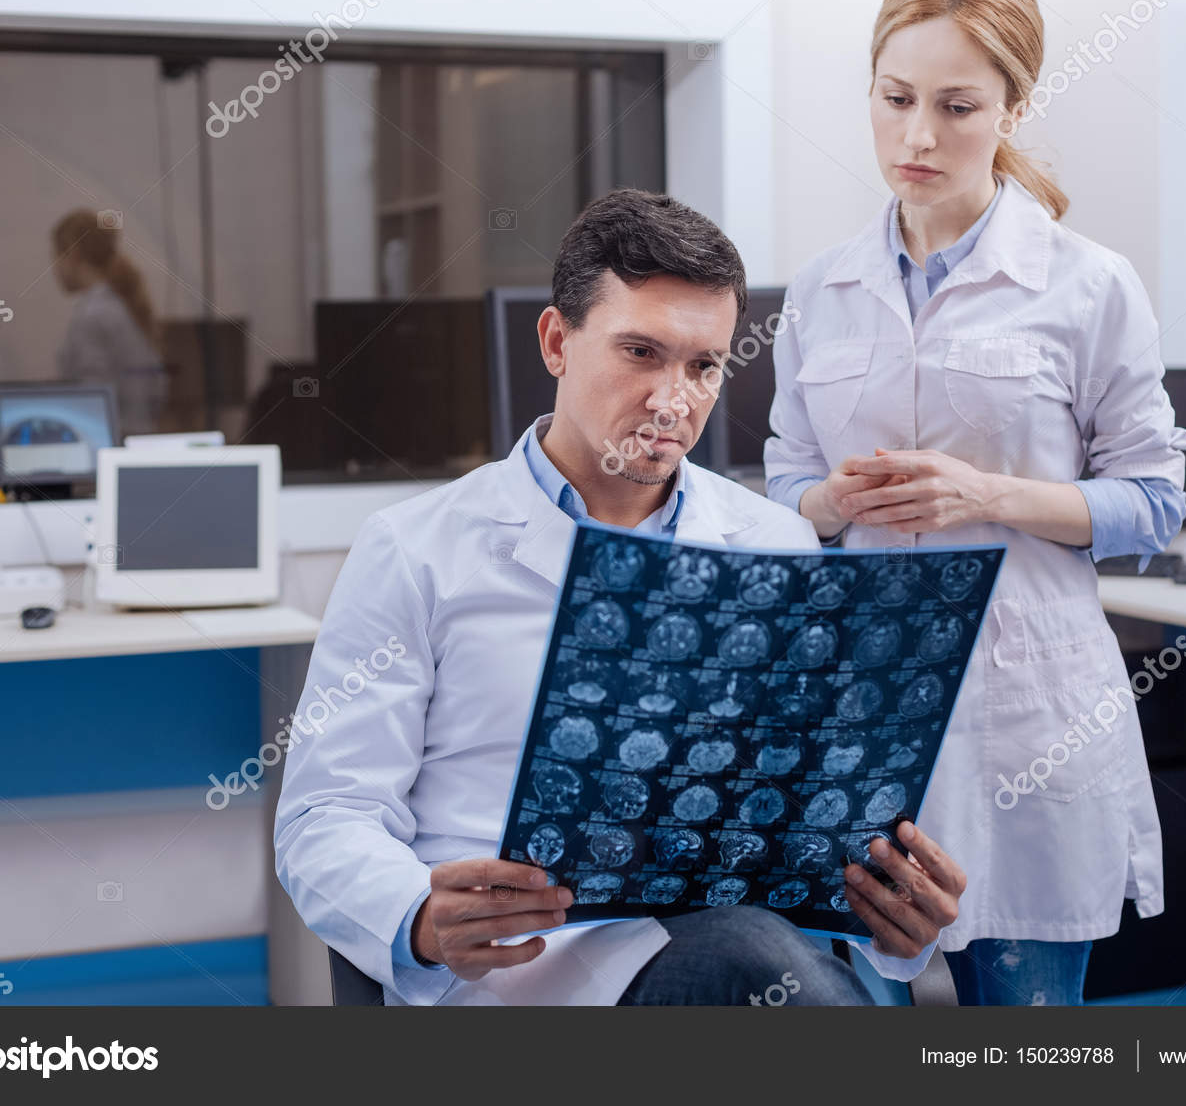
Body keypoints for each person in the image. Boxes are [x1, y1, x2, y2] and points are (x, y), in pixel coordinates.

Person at [274, 189, 966, 1006]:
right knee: (751, 957)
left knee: (756, 955)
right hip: (519, 973)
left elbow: (817, 819)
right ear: (556, 342)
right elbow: (326, 815)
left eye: (703, 366)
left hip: (734, 960)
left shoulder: (775, 544)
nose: (673, 400)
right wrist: (419, 917)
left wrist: (891, 917)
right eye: (641, 352)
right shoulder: (415, 549)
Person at [764, 0, 1186, 1007]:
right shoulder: (820, 290)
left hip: (1025, 719)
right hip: (862, 705)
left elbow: (1153, 502)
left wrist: (987, 495)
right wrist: (829, 503)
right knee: (847, 1015)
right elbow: (781, 486)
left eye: (956, 107)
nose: (917, 136)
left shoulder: (1087, 284)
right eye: (895, 98)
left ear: (1012, 109)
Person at [50, 209, 166, 437]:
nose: (54, 269)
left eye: (55, 257)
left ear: (72, 254)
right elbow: (157, 390)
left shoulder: (91, 316)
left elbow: (91, 399)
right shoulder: (125, 306)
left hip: (108, 440)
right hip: (139, 437)